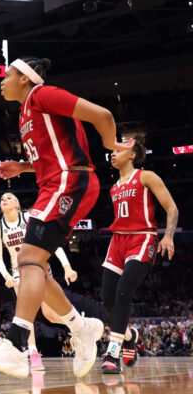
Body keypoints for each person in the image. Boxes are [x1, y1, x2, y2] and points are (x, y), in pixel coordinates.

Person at [0, 56, 133, 379]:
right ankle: (82, 328)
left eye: (7, 74)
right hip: (53, 183)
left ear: (25, 78)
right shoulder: (26, 112)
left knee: (27, 259)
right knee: (38, 268)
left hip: (71, 180)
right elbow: (50, 156)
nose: (2, 79)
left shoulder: (42, 95)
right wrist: (22, 167)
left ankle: (15, 345)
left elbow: (103, 115)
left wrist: (111, 143)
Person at [100, 140, 179, 373]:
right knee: (108, 299)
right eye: (111, 151)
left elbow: (172, 207)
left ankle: (112, 354)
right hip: (117, 242)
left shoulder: (146, 176)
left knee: (124, 291)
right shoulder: (114, 187)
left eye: (117, 150)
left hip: (142, 238)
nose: (112, 154)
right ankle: (129, 334)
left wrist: (169, 236)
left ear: (132, 155)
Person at [0, 192, 79, 371]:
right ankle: (33, 354)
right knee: (26, 314)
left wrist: (67, 267)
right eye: (2, 199)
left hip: (40, 267)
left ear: (17, 203)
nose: (4, 200)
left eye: (8, 197)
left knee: (50, 315)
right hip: (19, 272)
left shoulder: (28, 218)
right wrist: (7, 277)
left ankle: (81, 325)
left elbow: (51, 243)